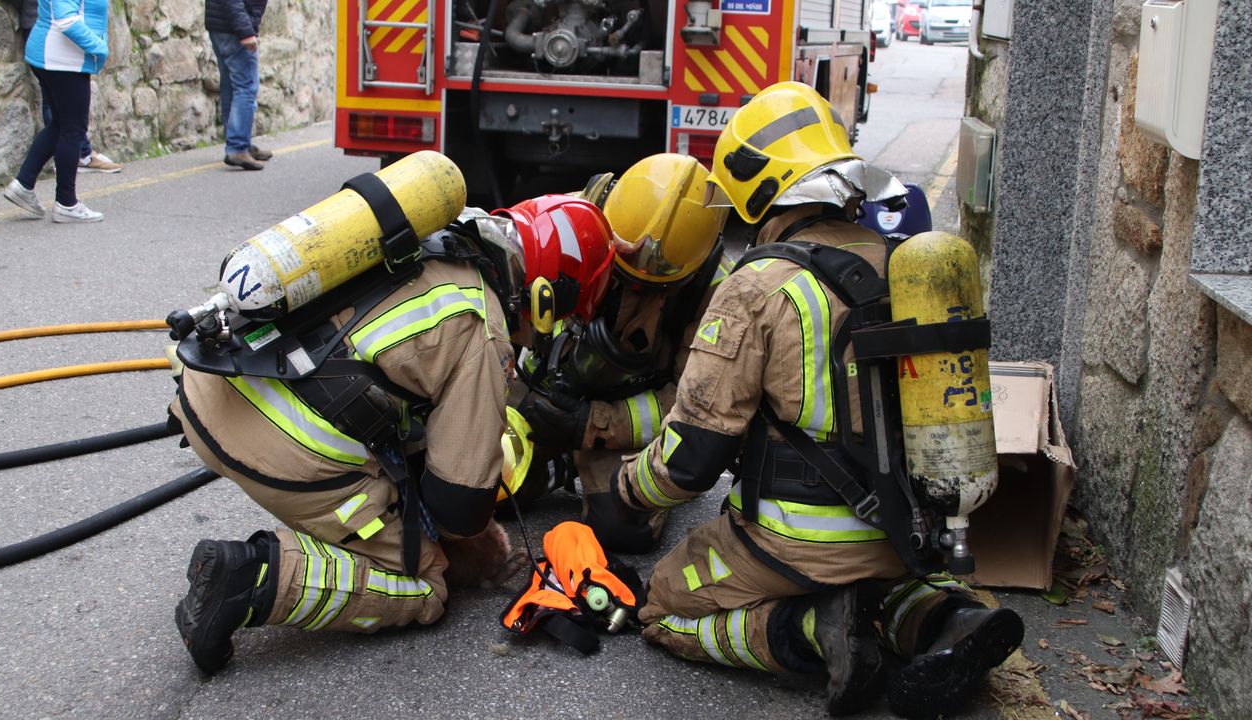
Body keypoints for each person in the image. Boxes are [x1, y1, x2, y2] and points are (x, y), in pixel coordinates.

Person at [605, 82, 1024, 718]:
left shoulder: (759, 288)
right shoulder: (901, 265)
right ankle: (944, 615)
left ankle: (809, 634)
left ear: (757, 187)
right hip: (904, 532)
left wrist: (628, 490)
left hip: (791, 544)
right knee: (880, 584)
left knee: (662, 607)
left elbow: (691, 460)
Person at [170, 193, 615, 674]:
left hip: (207, 386)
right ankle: (250, 579)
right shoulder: (483, 327)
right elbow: (459, 511)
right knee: (425, 585)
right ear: (550, 293)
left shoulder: (435, 240)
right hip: (272, 438)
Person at [513, 153, 731, 554]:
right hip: (545, 391)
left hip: (619, 419)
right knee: (489, 491)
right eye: (620, 271)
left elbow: (692, 405)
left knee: (622, 529)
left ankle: (572, 460)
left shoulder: (718, 293)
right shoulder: (570, 221)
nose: (629, 287)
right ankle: (554, 464)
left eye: (648, 286)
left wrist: (589, 424)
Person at [2, 0, 109, 222]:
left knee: (61, 124)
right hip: (63, 60)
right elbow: (65, 18)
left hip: (56, 56)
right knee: (73, 129)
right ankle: (66, 203)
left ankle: (23, 183)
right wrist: (99, 48)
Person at [7, 0, 124, 175]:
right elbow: (65, 19)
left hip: (52, 25)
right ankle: (79, 158)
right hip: (49, 28)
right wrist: (101, 49)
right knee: (67, 122)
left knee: (63, 120)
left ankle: (27, 183)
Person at [205, 0, 273, 170]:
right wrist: (245, 31)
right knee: (246, 87)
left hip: (223, 25)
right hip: (233, 28)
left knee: (231, 87)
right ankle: (238, 147)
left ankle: (241, 143)